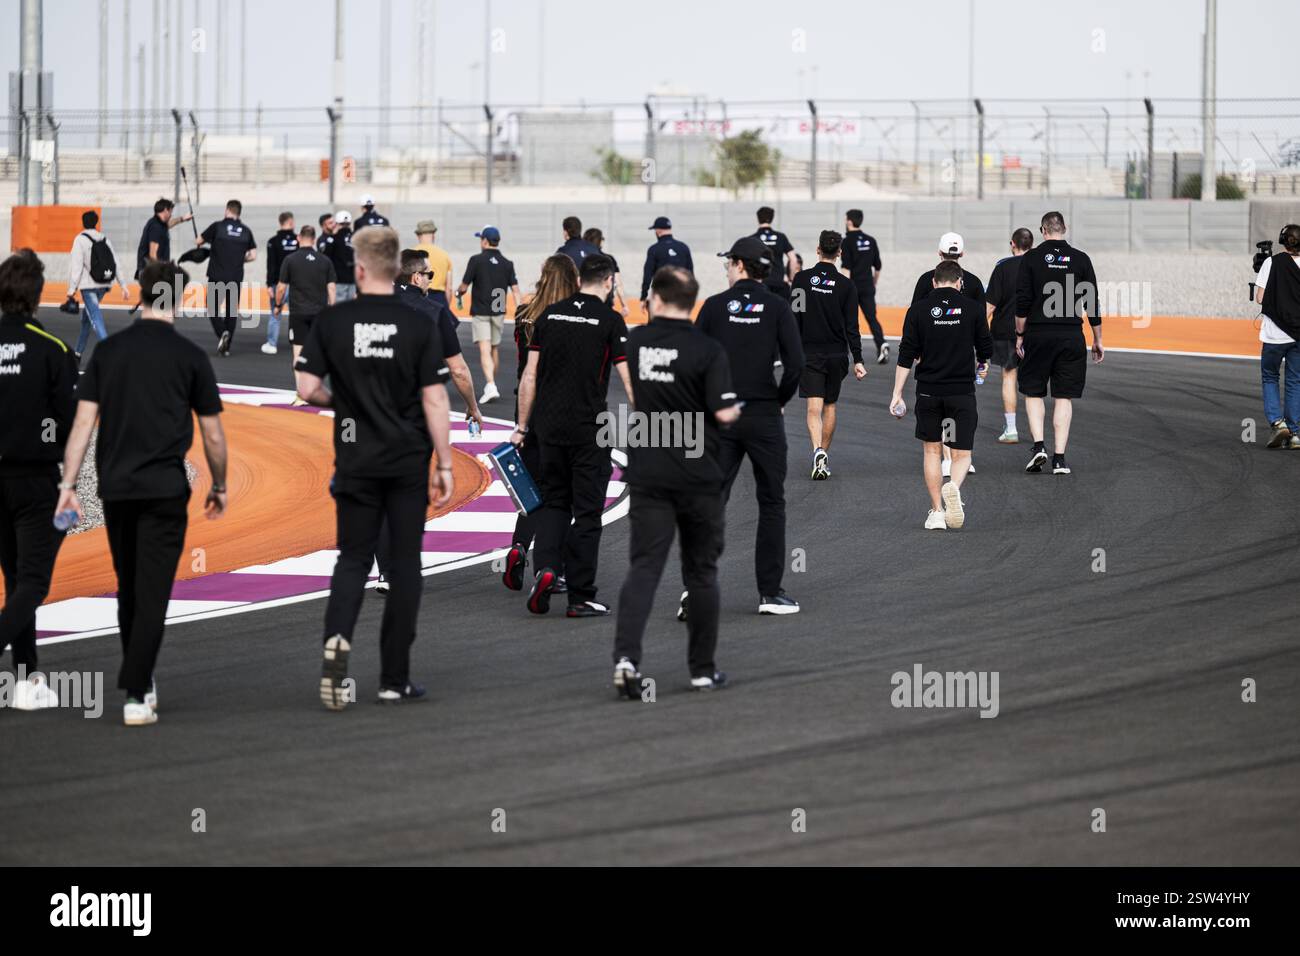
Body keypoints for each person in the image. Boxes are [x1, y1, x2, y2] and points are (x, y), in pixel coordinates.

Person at [57, 260, 229, 727]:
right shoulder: (190, 357)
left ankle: (142, 678)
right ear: (182, 298)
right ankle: (137, 688)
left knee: (129, 585)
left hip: (116, 490)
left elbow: (82, 424)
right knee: (152, 589)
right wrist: (219, 483)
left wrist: (69, 486)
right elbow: (212, 434)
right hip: (165, 490)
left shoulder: (109, 352)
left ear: (141, 292)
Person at [294, 226, 455, 708]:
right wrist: (445, 463)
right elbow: (434, 397)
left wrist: (343, 401)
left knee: (353, 559)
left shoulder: (335, 320)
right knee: (405, 566)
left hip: (356, 459)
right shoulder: (422, 321)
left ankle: (337, 641)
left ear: (360, 269)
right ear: (396, 268)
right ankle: (394, 677)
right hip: (406, 461)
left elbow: (305, 387)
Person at [612, 266, 741, 696]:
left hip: (650, 469)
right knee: (701, 572)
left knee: (644, 567)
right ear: (692, 303)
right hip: (699, 474)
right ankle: (702, 669)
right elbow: (723, 414)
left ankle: (627, 658)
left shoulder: (638, 342)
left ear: (659, 300)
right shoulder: (708, 350)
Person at [513, 254, 632, 618]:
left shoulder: (549, 315)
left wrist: (521, 427)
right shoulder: (610, 320)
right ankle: (581, 596)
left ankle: (547, 568)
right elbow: (629, 380)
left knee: (553, 503)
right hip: (588, 430)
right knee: (587, 512)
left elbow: (529, 377)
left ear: (581, 278)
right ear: (609, 281)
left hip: (548, 427)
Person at [696, 236, 803, 616]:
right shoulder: (777, 307)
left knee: (711, 502)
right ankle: (770, 593)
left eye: (729, 263)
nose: (726, 269)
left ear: (740, 266)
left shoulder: (712, 306)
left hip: (721, 418)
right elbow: (796, 366)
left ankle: (697, 590)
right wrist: (777, 401)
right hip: (763, 416)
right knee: (772, 502)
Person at [371, 249, 486, 594]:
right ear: (415, 277)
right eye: (428, 275)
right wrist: (472, 406)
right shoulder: (433, 311)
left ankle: (386, 572)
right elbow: (459, 369)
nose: (430, 280)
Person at [0, 250, 78, 711]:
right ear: (36, 296)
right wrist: (71, 483)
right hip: (34, 480)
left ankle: (27, 682)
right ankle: (25, 679)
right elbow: (71, 424)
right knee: (33, 582)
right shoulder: (52, 350)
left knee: (17, 581)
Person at [889, 259, 992, 531]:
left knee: (932, 451)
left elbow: (906, 354)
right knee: (962, 454)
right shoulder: (972, 309)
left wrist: (897, 394)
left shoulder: (918, 310)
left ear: (933, 282)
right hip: (960, 391)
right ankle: (953, 487)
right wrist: (982, 366)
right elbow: (985, 349)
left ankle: (936, 512)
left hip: (928, 391)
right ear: (960, 283)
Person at [500, 254, 579, 593]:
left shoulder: (525, 314)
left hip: (527, 405)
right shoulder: (571, 317)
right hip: (562, 408)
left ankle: (519, 546)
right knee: (561, 493)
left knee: (533, 487)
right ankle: (552, 567)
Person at [1014, 211, 1104, 475]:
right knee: (1063, 397)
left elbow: (1023, 302)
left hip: (1038, 334)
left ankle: (1039, 446)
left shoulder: (1030, 258)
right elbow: (1092, 303)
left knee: (1033, 392)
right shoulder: (1081, 259)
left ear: (1043, 230)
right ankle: (1060, 459)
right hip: (1071, 336)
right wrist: (1097, 339)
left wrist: (1020, 335)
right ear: (1065, 229)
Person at [792, 230, 867, 480]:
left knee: (814, 406)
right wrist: (858, 359)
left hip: (809, 351)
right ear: (840, 253)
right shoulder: (847, 285)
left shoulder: (801, 279)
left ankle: (817, 450)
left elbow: (795, 315)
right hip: (836, 354)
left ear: (817, 250)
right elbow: (852, 326)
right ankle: (824, 455)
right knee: (830, 405)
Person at [911, 232, 986, 476]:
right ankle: (956, 456)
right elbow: (981, 323)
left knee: (939, 406)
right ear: (962, 254)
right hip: (962, 358)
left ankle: (947, 457)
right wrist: (981, 357)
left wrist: (916, 352)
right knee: (957, 407)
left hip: (931, 356)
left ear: (939, 252)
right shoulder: (973, 282)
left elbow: (914, 316)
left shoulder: (926, 280)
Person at [456, 225, 521, 406]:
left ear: (485, 241)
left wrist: (458, 293)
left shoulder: (476, 260)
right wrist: (521, 311)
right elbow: (515, 290)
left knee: (484, 348)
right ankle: (490, 383)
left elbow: (464, 286)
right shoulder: (507, 263)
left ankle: (491, 385)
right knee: (494, 348)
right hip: (498, 308)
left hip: (481, 308)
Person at [983, 227, 1034, 444]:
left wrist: (977, 334)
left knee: (1009, 376)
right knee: (1034, 382)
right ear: (1031, 245)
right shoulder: (1038, 266)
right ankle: (1037, 435)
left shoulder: (1002, 268)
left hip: (1005, 330)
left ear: (1012, 244)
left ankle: (1011, 429)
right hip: (1034, 331)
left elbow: (989, 306)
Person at [1255, 224, 1300, 449]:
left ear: (1283, 241)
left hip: (1274, 335)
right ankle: (1294, 433)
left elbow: (1260, 298)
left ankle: (1277, 422)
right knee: (1295, 381)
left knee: (1270, 377)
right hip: (1298, 336)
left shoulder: (1271, 263)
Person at [67, 210, 129, 362]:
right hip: (104, 284)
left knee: (95, 318)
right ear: (96, 222)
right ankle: (78, 353)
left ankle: (110, 353)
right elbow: (116, 263)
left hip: (89, 286)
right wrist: (123, 286)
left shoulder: (79, 240)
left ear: (83, 223)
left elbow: (76, 266)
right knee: (86, 320)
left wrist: (71, 289)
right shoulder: (104, 239)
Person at [197, 199, 257, 357]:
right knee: (231, 310)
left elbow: (199, 241)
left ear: (227, 210)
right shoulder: (246, 231)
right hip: (235, 276)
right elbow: (253, 255)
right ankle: (227, 346)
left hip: (217, 275)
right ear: (239, 212)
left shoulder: (217, 226)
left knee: (212, 307)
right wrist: (239, 258)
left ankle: (222, 332)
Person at [275, 224, 336, 376]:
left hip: (298, 312)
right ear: (314, 240)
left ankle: (300, 394)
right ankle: (315, 389)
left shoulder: (290, 260)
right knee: (318, 353)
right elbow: (332, 288)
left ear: (298, 238)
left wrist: (277, 305)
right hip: (319, 312)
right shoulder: (325, 261)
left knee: (298, 353)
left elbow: (281, 287)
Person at [841, 209, 888, 363]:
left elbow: (846, 268)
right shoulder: (870, 240)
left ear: (849, 221)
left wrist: (843, 290)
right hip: (867, 286)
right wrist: (874, 283)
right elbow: (878, 266)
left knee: (847, 319)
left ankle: (844, 350)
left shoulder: (846, 241)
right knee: (872, 318)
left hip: (852, 287)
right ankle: (881, 344)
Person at [262, 211, 298, 355]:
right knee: (297, 314)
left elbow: (271, 265)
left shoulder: (273, 241)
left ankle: (272, 344)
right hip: (297, 284)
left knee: (275, 314)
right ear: (290, 222)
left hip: (279, 284)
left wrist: (269, 284)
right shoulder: (299, 240)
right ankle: (297, 340)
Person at [639, 216, 693, 311]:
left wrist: (643, 296)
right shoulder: (684, 247)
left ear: (658, 231)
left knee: (658, 323)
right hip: (680, 295)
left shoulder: (654, 249)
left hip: (661, 295)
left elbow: (647, 275)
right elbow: (690, 274)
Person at [135, 198, 192, 276]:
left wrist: (182, 219)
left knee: (178, 279)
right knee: (178, 280)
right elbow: (153, 254)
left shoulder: (158, 224)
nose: (171, 215)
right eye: (170, 212)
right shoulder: (156, 227)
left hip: (152, 268)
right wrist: (159, 273)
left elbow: (169, 224)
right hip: (151, 271)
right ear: (165, 210)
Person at [754, 206, 797, 300]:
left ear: (758, 219)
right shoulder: (781, 237)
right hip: (779, 283)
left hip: (761, 283)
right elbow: (793, 259)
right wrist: (791, 278)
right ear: (772, 219)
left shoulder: (753, 238)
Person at [584, 227, 629, 317]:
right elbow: (617, 284)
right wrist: (624, 305)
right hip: (605, 303)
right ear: (600, 241)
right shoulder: (609, 259)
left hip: (584, 304)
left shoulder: (583, 259)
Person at [413, 220, 453, 307]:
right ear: (433, 235)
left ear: (418, 235)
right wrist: (446, 308)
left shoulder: (411, 254)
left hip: (417, 297)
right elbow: (449, 288)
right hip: (439, 298)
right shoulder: (444, 255)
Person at [327, 210, 357, 302]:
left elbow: (327, 258)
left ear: (337, 223)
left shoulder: (333, 239)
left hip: (339, 280)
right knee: (352, 310)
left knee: (340, 310)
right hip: (354, 280)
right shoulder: (357, 238)